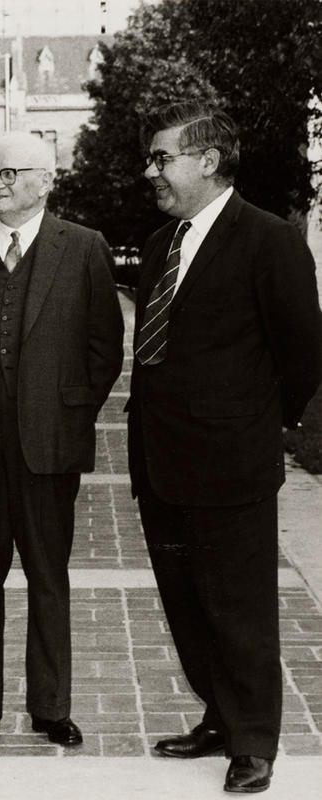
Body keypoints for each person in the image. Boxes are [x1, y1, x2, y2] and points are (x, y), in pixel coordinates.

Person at [126, 100, 322, 793]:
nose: (149, 170)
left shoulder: (266, 240)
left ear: (207, 161)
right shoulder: (160, 244)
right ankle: (218, 715)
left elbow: (302, 351)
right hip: (159, 464)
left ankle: (253, 742)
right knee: (186, 603)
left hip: (230, 463)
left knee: (239, 607)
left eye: (161, 157)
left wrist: (257, 422)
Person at [0, 131, 124, 745]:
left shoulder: (84, 247)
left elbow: (104, 349)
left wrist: (68, 411)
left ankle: (51, 707)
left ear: (46, 180)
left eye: (11, 172)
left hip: (48, 444)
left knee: (48, 574)